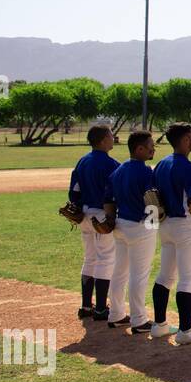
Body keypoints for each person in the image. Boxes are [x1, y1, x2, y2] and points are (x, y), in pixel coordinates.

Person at [101, 130, 159, 334]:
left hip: (120, 224)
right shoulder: (145, 171)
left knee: (119, 271)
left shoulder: (118, 170)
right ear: (139, 148)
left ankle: (115, 314)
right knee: (139, 274)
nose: (154, 148)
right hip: (140, 226)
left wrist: (109, 220)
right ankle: (139, 320)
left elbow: (108, 200)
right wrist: (154, 224)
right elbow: (151, 201)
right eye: (150, 145)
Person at [151, 121, 191, 342]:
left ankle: (159, 324)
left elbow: (152, 197)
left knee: (165, 275)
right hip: (185, 224)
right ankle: (185, 331)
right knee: (188, 278)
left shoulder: (161, 164)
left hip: (164, 224)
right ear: (184, 140)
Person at [68, 124, 118, 321]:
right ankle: (100, 309)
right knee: (105, 259)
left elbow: (74, 191)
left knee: (90, 259)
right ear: (103, 140)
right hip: (102, 216)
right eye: (111, 136)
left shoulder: (82, 162)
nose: (113, 139)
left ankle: (86, 306)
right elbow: (115, 192)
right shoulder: (111, 164)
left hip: (84, 214)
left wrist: (77, 206)